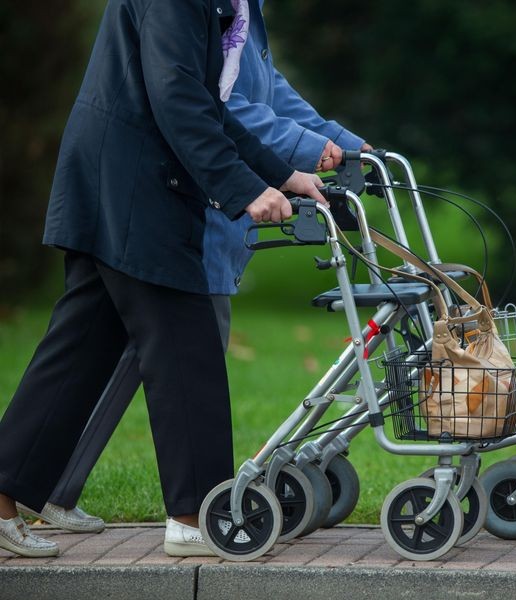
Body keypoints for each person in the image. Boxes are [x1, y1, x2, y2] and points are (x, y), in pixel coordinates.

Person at [13, 0, 371, 555]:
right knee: (186, 349)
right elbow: (178, 100)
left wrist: (283, 174)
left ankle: (6, 496)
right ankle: (197, 519)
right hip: (134, 190)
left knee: (79, 349)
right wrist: (246, 189)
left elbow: (209, 105)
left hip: (120, 182)